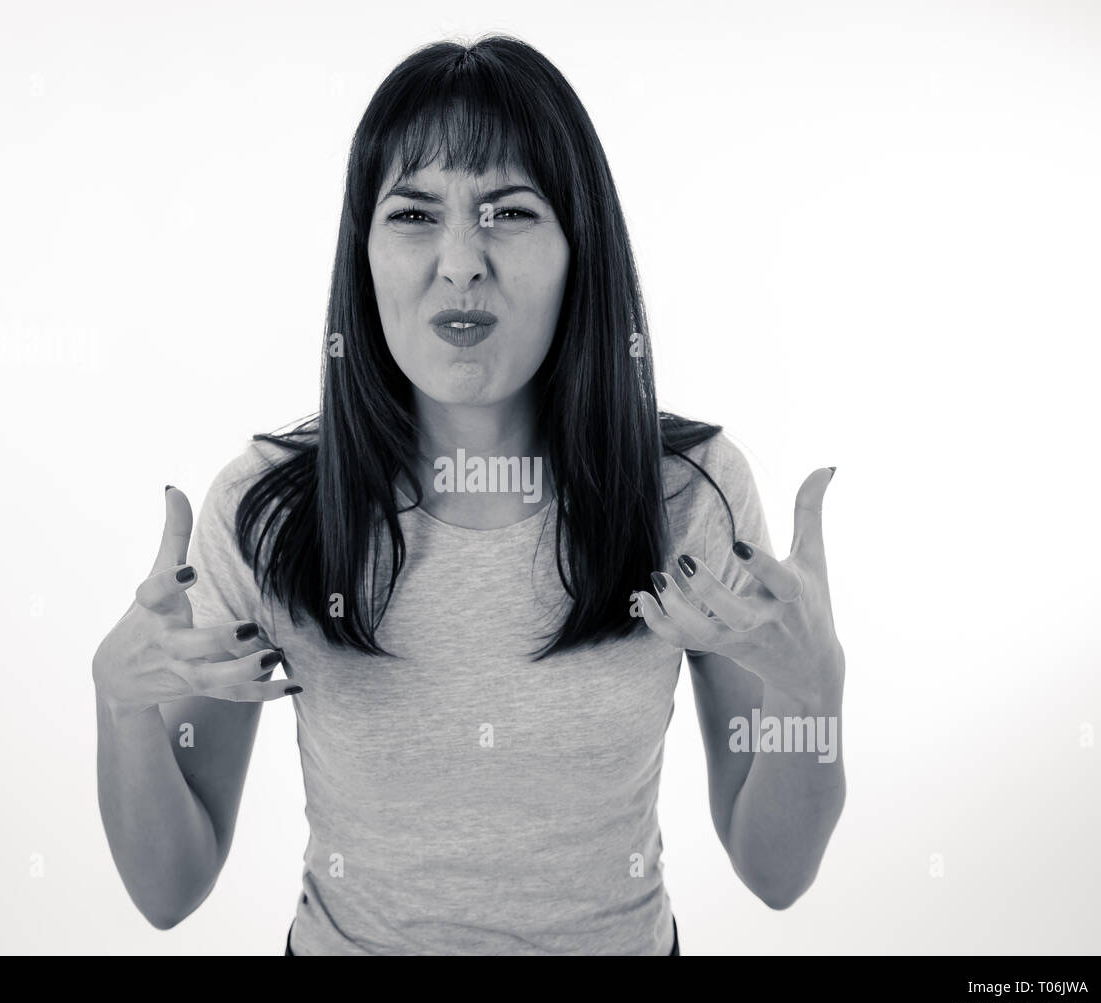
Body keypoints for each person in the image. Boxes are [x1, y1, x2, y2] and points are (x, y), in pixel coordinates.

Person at [92, 35, 846, 956]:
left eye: (509, 211)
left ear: (581, 247)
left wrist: (814, 684)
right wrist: (121, 699)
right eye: (413, 214)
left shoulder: (690, 494)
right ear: (361, 256)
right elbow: (168, 888)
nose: (460, 261)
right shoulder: (268, 510)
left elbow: (777, 871)